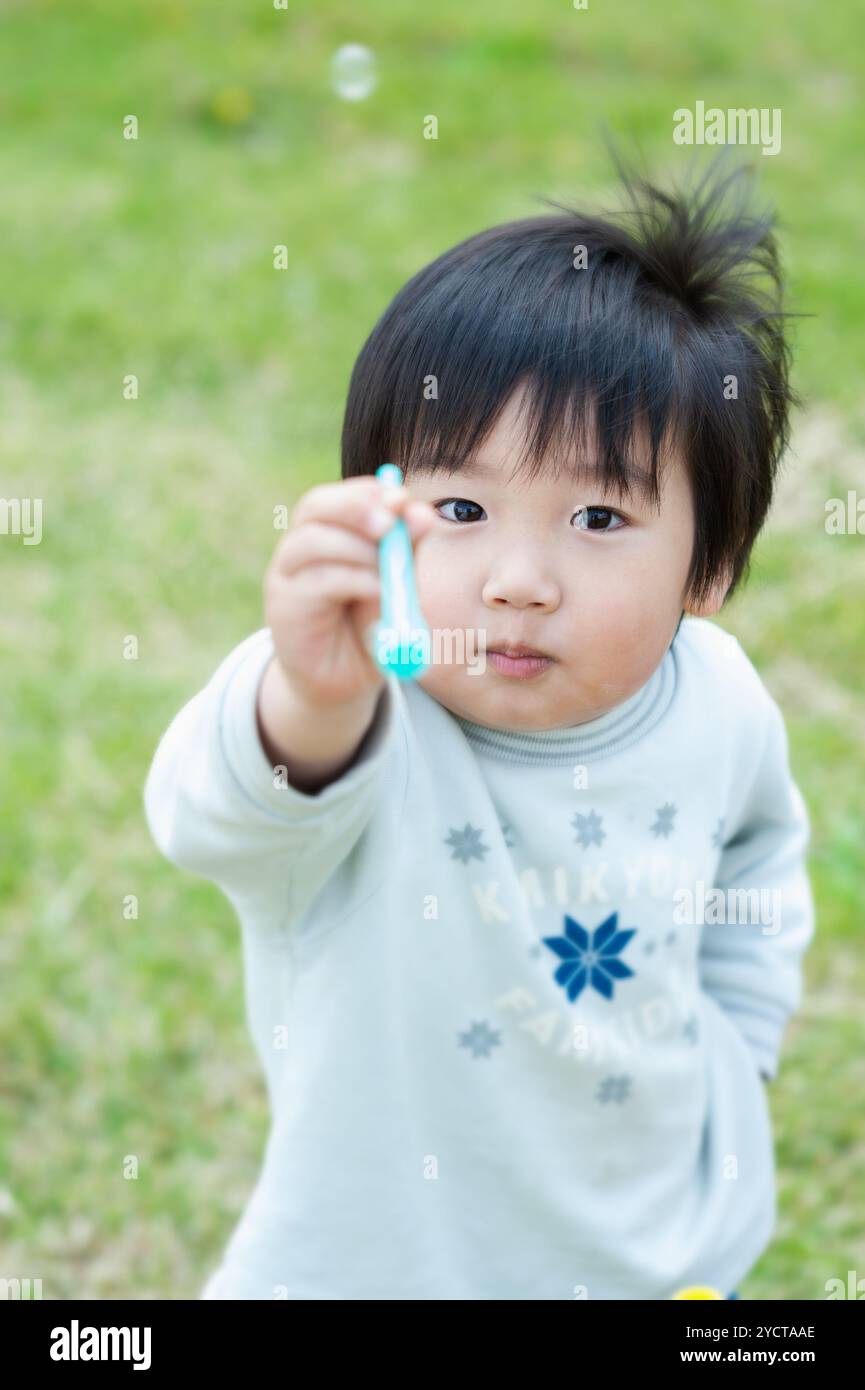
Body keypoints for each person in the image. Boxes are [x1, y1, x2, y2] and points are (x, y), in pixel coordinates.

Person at [144, 154, 815, 1299]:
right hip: (380, 1264)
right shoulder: (361, 713)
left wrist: (741, 1046)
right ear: (381, 520)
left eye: (598, 514)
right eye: (458, 509)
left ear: (708, 567)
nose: (516, 579)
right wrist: (308, 697)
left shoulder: (720, 700)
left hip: (658, 1247)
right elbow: (216, 824)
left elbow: (757, 862)